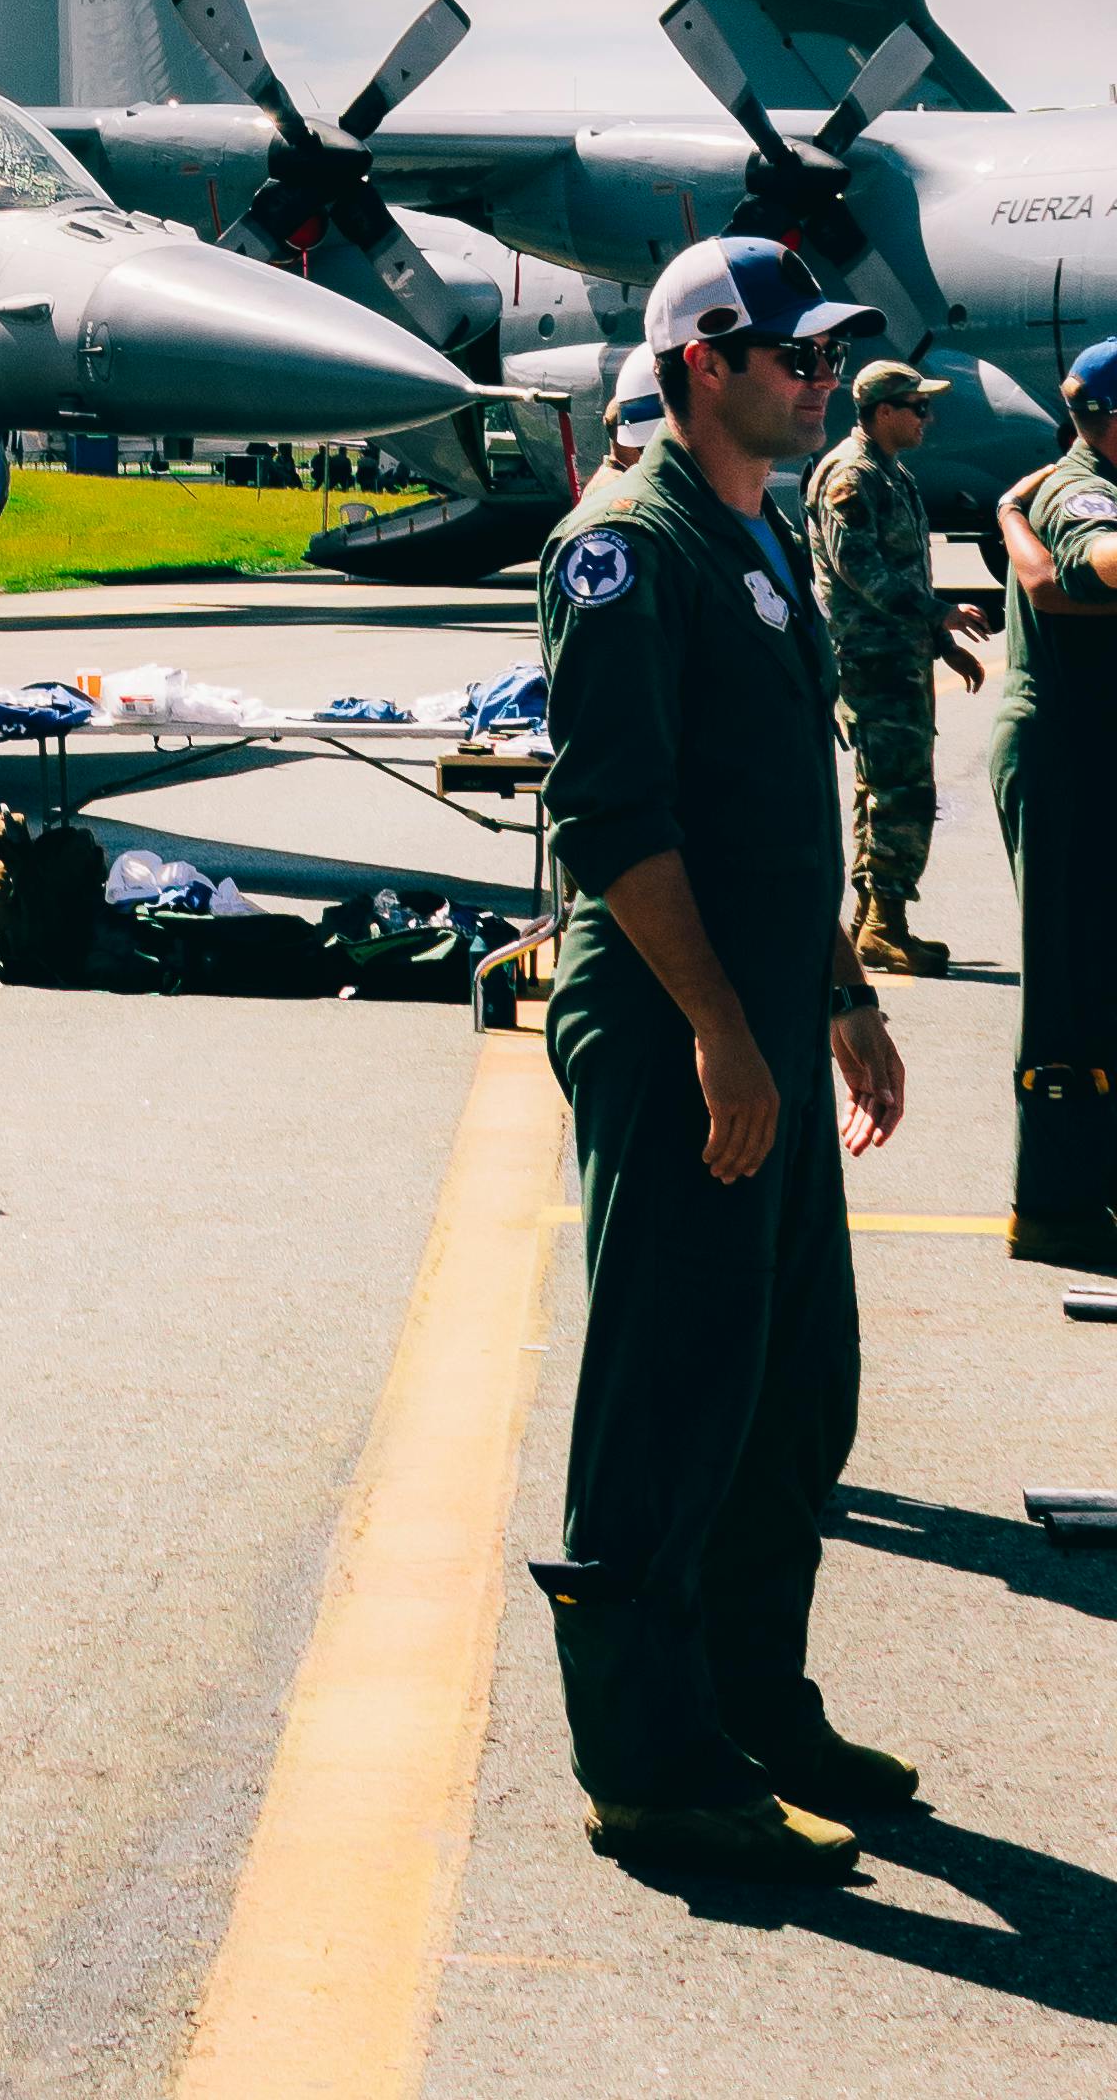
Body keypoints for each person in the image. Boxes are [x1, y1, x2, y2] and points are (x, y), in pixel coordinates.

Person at [532, 233, 910, 1885]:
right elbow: (614, 821)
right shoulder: (630, 544)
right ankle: (654, 1766)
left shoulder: (757, 530)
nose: (816, 375)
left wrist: (838, 997)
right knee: (672, 1398)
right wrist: (720, 1037)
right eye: (789, 353)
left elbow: (773, 812)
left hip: (761, 1012)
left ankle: (758, 1704)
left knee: (790, 1391)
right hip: (680, 1027)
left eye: (827, 355)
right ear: (702, 360)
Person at [990, 340, 1117, 1273]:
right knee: (1071, 986)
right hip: (1069, 761)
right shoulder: (1084, 493)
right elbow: (1093, 567)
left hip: (1092, 758)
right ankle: (1057, 1204)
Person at [805, 354, 984, 977]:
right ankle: (886, 925)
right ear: (884, 413)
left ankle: (872, 921)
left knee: (886, 789)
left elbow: (902, 569)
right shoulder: (850, 478)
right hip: (873, 661)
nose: (927, 418)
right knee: (899, 791)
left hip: (898, 656)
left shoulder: (888, 473)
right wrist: (938, 615)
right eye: (918, 407)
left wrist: (940, 644)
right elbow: (863, 573)